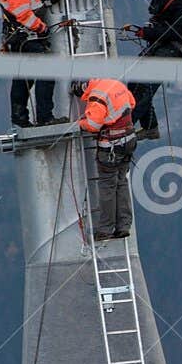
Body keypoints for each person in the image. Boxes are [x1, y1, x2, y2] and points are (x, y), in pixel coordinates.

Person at [107, 0, 182, 137]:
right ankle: (150, 127)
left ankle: (125, 128)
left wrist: (146, 32)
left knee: (144, 89)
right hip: (158, 47)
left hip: (171, 51)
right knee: (134, 83)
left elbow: (176, 30)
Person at [0, 0, 67, 126]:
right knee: (45, 70)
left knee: (24, 77)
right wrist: (41, 27)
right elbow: (22, 13)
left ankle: (20, 118)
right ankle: (44, 117)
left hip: (21, 37)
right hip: (23, 36)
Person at [73, 77, 138, 241]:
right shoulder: (114, 84)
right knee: (121, 182)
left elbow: (94, 125)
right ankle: (123, 225)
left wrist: (80, 123)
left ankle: (106, 229)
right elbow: (131, 103)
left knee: (107, 187)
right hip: (129, 139)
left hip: (111, 146)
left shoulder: (96, 97)